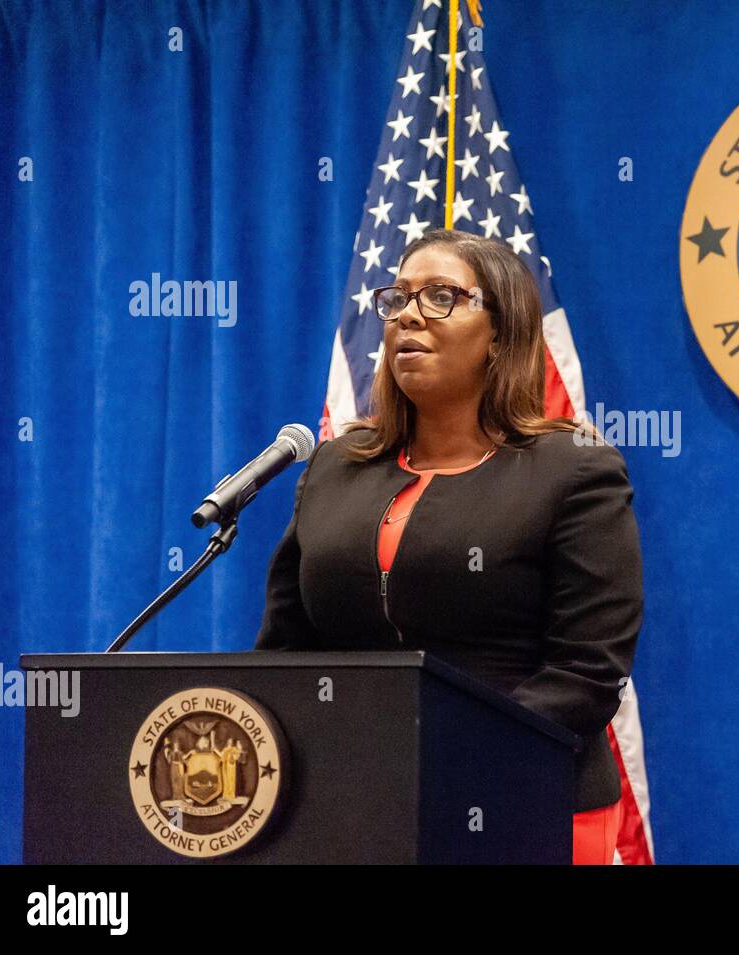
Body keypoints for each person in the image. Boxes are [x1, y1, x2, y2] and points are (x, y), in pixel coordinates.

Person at [254, 228, 644, 865]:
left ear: (500, 331)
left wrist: (439, 758)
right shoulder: (333, 466)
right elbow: (285, 650)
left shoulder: (573, 469)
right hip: (352, 809)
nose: (408, 314)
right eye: (398, 298)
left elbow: (587, 671)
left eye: (440, 297)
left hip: (526, 806)